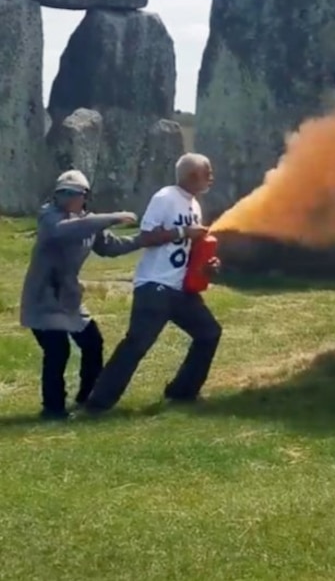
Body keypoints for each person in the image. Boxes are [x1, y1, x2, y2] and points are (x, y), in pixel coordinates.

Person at [18, 170, 180, 421]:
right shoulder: (49, 216)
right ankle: (53, 408)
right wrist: (112, 217)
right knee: (57, 351)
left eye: (73, 193)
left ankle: (87, 398)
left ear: (84, 197)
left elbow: (110, 247)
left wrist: (146, 240)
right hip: (43, 297)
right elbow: (64, 230)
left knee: (93, 343)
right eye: (63, 193)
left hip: (68, 298)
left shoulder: (88, 221)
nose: (67, 197)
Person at [81, 153, 224, 415]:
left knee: (209, 333)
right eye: (208, 172)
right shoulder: (165, 198)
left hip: (180, 289)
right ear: (192, 176)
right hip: (155, 287)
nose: (212, 177)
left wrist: (207, 264)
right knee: (136, 344)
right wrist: (183, 232)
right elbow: (146, 236)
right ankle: (97, 404)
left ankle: (182, 392)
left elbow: (188, 248)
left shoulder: (194, 205)